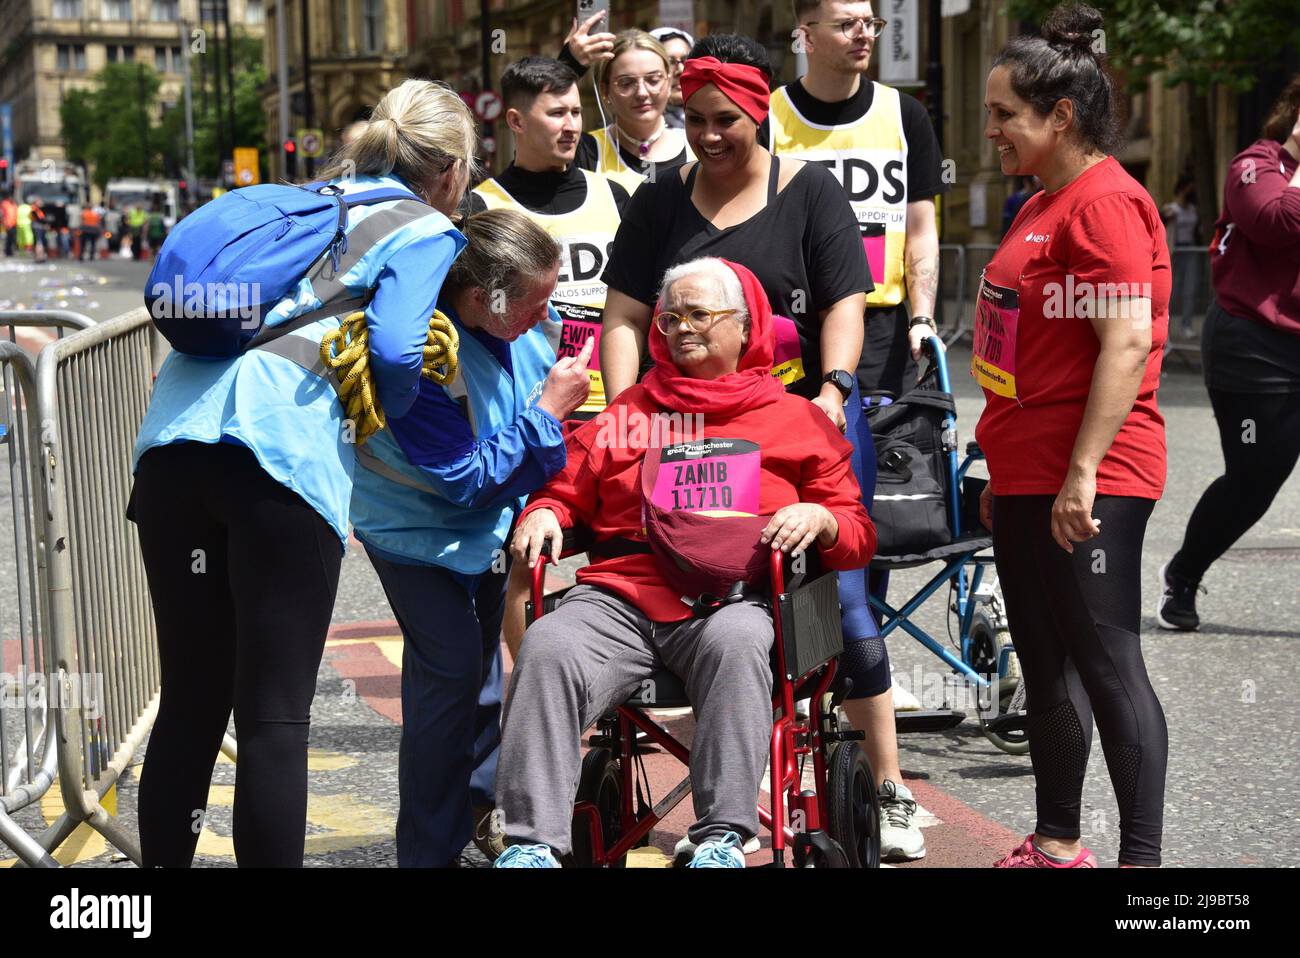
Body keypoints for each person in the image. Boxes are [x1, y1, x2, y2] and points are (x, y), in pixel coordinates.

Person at [128, 79, 478, 868]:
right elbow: (393, 351)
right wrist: (381, 410)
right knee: (273, 716)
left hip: (173, 451)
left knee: (191, 695)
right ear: (450, 171)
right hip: (278, 460)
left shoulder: (295, 202)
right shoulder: (420, 226)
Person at [598, 36, 884, 859]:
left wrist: (832, 389)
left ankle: (887, 783)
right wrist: (627, 414)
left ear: (760, 110)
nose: (710, 134)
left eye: (726, 119)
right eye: (694, 119)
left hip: (796, 417)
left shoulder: (810, 191)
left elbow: (844, 301)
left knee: (843, 605)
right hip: (680, 423)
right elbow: (624, 316)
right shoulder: (658, 201)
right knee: (671, 569)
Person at [494, 257, 877, 868]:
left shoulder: (797, 419)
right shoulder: (629, 414)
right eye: (670, 318)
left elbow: (856, 534)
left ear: (746, 325)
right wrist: (544, 513)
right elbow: (564, 488)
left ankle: (723, 836)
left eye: (700, 314)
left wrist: (822, 518)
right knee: (550, 644)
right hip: (621, 597)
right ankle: (530, 844)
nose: (681, 328)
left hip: (736, 599)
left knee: (738, 641)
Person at [975, 3, 1170, 869]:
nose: (990, 133)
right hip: (1029, 472)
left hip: (1094, 473)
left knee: (1107, 664)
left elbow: (1126, 342)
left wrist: (1081, 472)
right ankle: (1057, 844)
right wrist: (1006, 467)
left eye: (1003, 115)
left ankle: (1145, 873)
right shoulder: (1040, 205)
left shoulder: (1106, 205)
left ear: (1059, 116)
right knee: (1046, 666)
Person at [349, 209, 592, 867]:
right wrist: (549, 413)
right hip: (413, 533)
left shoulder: (521, 328)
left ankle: (482, 813)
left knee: (484, 676)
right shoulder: (424, 355)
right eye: (538, 298)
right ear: (484, 297)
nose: (551, 311)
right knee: (451, 677)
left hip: (487, 530)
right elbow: (460, 477)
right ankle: (428, 852)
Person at [774, 0, 953, 860]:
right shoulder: (768, 115)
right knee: (792, 555)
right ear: (803, 29)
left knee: (863, 551)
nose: (865, 33)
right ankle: (809, 743)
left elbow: (920, 227)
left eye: (872, 21)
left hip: (878, 341)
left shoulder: (903, 114)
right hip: (785, 338)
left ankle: (869, 767)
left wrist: (921, 317)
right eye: (845, 20)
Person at [1158, 77, 1300, 631]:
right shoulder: (1255, 165)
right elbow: (1275, 222)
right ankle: (1185, 572)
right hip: (1255, 347)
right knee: (1255, 477)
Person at [470, 56, 632, 421]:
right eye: (557, 113)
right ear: (516, 121)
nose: (572, 125)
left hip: (612, 402)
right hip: (528, 408)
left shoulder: (614, 195)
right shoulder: (482, 206)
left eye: (576, 112)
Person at [575, 30, 693, 194]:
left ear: (668, 81)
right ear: (605, 91)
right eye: (626, 83)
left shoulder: (695, 144)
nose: (642, 93)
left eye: (653, 80)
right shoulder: (586, 150)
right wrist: (569, 63)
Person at [1161, 177, 1202, 339]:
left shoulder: (1193, 209)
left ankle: (1186, 326)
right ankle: (1165, 327)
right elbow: (1162, 220)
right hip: (1175, 251)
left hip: (1191, 250)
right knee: (1172, 290)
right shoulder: (1171, 208)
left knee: (1189, 290)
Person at [649, 27, 695, 129]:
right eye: (670, 62)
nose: (681, 70)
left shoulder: (710, 116)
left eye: (686, 60)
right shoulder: (643, 129)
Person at [29, 197, 47, 261]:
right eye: (39, 201)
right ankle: (39, 256)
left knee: (38, 241)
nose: (41, 203)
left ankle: (39, 256)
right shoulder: (35, 209)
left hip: (37, 227)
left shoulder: (37, 209)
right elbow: (40, 219)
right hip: (38, 227)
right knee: (39, 242)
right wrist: (45, 223)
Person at [1, 192, 16, 256]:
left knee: (11, 238)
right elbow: (2, 214)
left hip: (14, 224)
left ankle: (10, 251)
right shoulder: (4, 204)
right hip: (7, 224)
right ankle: (7, 251)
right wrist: (4, 222)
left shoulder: (13, 204)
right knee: (7, 238)